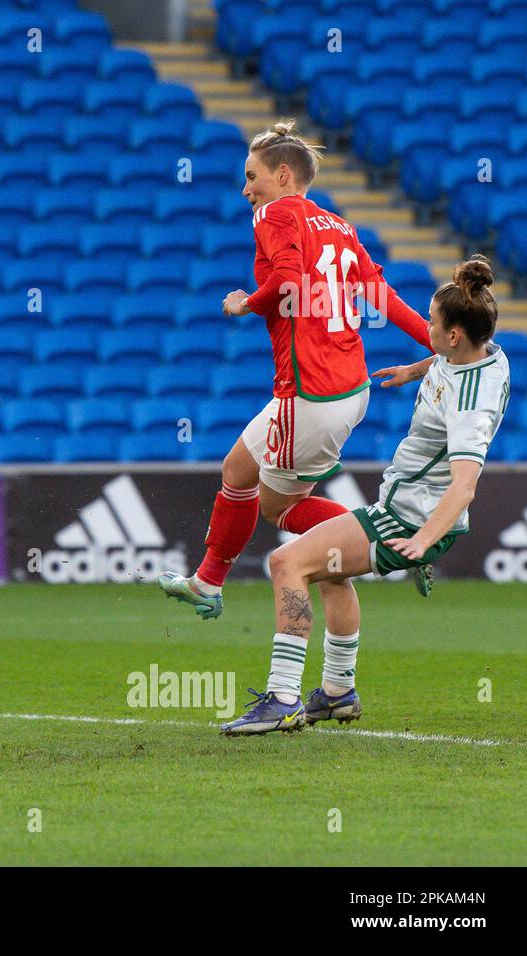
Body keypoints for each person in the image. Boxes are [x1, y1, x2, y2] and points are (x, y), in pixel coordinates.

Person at [220, 257, 510, 735]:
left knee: (287, 564)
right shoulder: (486, 353)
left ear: (455, 335)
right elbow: (446, 361)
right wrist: (416, 370)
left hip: (409, 518)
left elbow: (465, 485)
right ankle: (337, 694)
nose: (427, 328)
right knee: (329, 571)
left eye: (433, 324)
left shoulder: (469, 406)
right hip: (403, 509)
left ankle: (282, 697)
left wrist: (421, 544)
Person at [158, 119, 435, 621]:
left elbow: (285, 281)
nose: (245, 189)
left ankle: (396, 536)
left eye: (252, 176)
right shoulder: (340, 226)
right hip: (349, 387)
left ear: (283, 175)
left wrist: (246, 304)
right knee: (237, 471)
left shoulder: (274, 215)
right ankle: (207, 581)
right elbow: (382, 297)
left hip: (310, 392)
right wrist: (434, 342)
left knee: (280, 509)